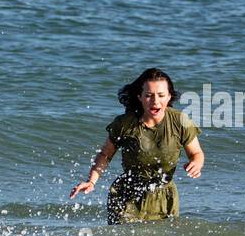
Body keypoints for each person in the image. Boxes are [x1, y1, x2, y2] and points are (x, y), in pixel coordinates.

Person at [69, 68, 205, 224]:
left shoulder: (180, 121)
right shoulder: (124, 123)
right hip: (127, 195)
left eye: (161, 95)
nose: (155, 101)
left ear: (169, 97)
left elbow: (196, 153)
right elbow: (105, 155)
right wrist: (91, 181)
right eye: (148, 95)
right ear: (139, 97)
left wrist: (196, 163)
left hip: (164, 197)